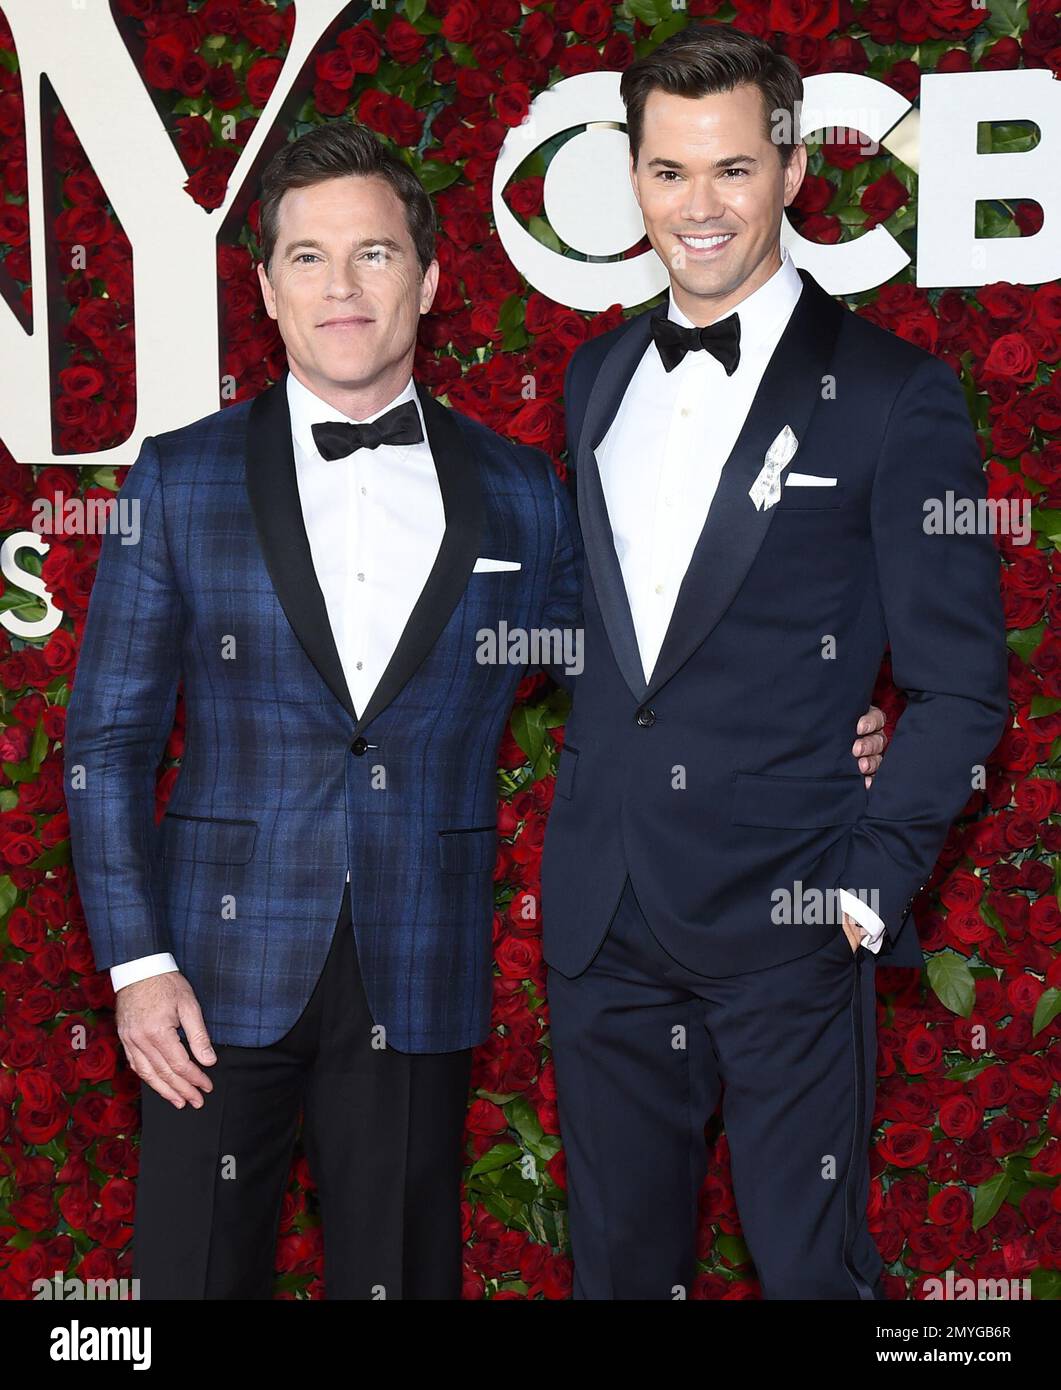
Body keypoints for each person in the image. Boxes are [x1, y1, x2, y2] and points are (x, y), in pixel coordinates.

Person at [63, 120, 583, 1300]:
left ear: (430, 278)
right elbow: (106, 743)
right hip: (206, 967)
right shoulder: (180, 477)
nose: (341, 287)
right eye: (307, 257)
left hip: (419, 956)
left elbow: (615, 678)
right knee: (195, 1278)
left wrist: (813, 723)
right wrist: (138, 964)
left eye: (374, 254)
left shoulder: (518, 490)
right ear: (265, 285)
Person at [541, 25, 1009, 1300]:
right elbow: (611, 634)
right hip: (603, 920)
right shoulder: (596, 377)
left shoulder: (890, 395)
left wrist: (862, 891)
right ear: (632, 179)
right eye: (669, 171)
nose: (698, 208)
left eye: (732, 170)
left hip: (789, 919)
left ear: (791, 170)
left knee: (810, 1276)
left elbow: (960, 683)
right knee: (615, 1275)